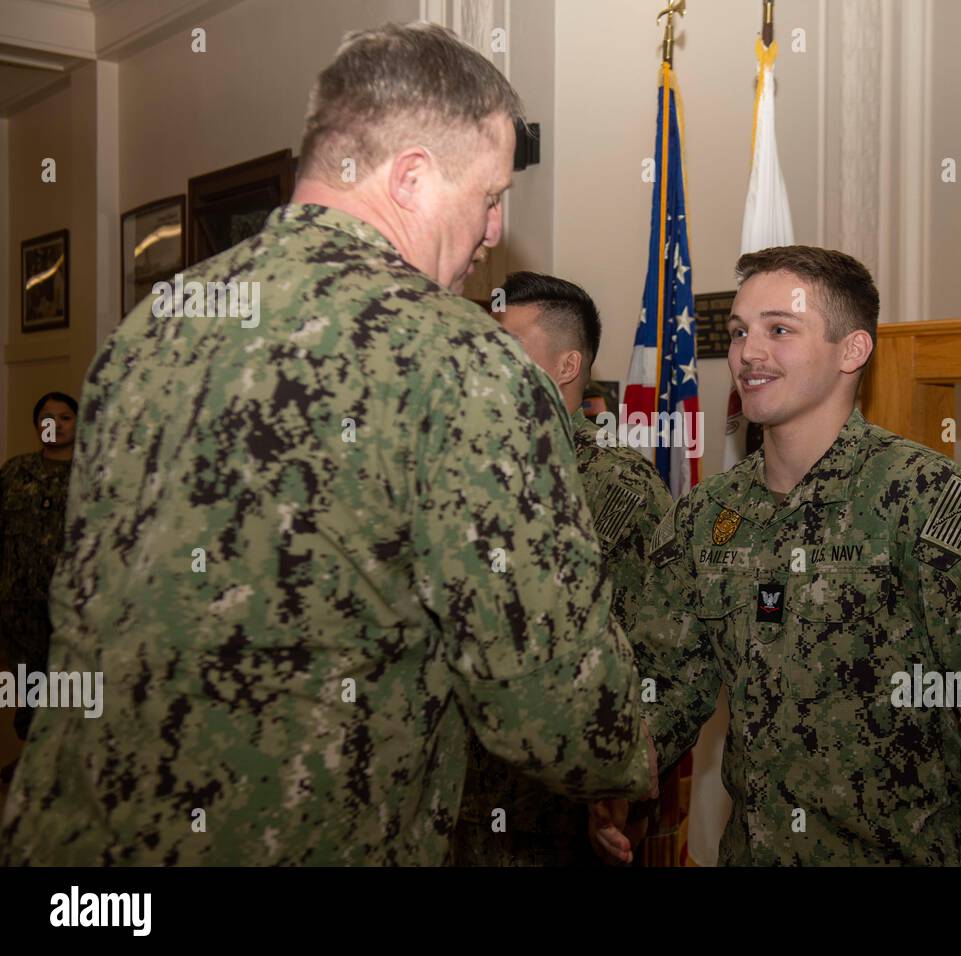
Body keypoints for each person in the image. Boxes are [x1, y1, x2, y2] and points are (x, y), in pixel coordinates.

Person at [1, 22, 655, 867]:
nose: (495, 230)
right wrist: (622, 756)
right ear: (412, 177)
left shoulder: (153, 324)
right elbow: (553, 711)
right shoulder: (461, 359)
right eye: (491, 196)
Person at [593, 245, 961, 866]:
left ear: (853, 350)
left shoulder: (927, 502)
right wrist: (610, 782)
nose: (748, 353)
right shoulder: (707, 517)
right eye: (739, 332)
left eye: (779, 330)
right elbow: (665, 682)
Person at [453, 271, 673, 866]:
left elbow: (649, 651)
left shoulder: (616, 484)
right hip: (453, 801)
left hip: (552, 817)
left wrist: (613, 787)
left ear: (568, 364)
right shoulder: (465, 469)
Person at [0, 392, 78, 754]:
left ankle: (64, 766)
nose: (57, 425)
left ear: (77, 424)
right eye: (48, 417)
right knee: (27, 687)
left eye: (65, 417)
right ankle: (30, 762)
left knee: (73, 686)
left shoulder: (92, 475)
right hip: (20, 602)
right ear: (36, 425)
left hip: (73, 604)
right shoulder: (15, 472)